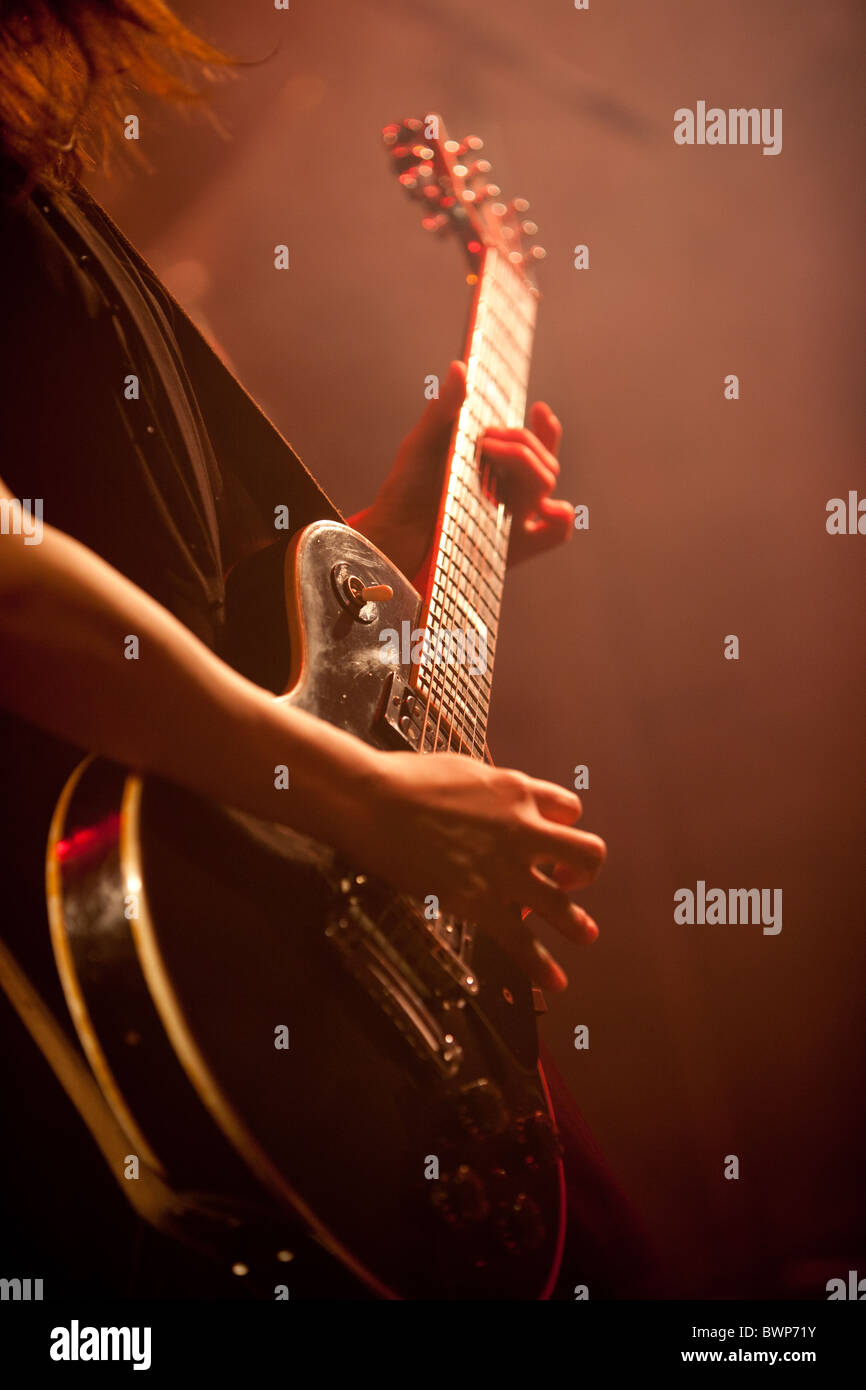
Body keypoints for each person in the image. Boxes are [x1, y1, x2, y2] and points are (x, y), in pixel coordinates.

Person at [0, 0, 656, 1298]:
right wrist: (349, 788)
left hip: (225, 884)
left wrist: (387, 541)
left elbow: (127, 575)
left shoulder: (40, 180)